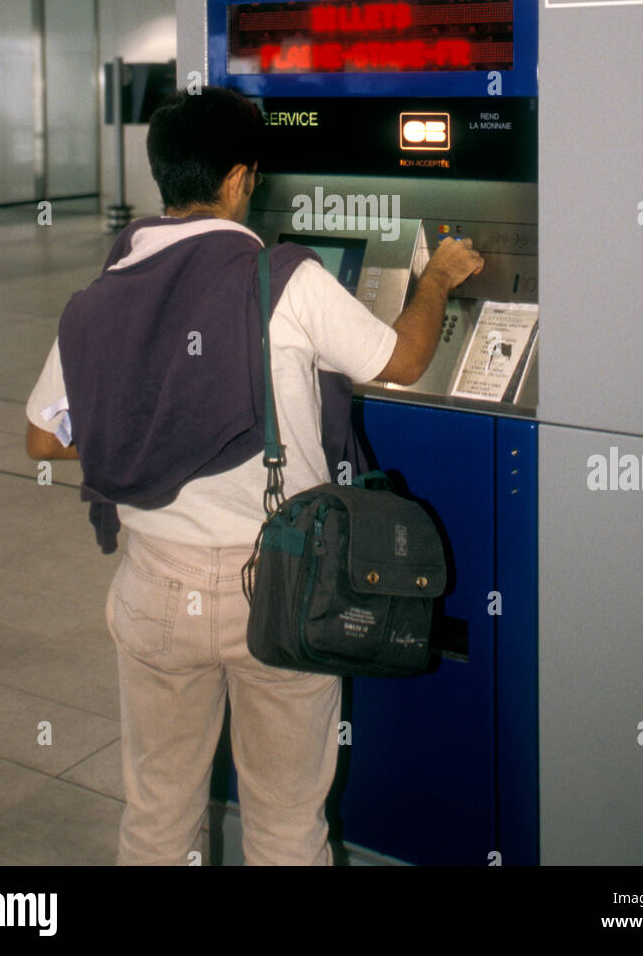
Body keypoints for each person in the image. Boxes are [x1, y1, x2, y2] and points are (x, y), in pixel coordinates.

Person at [25, 86, 483, 867]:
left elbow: (44, 436)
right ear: (240, 179)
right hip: (280, 587)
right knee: (285, 825)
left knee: (157, 814)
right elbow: (403, 361)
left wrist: (154, 429)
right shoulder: (284, 279)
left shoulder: (109, 287)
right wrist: (438, 277)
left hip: (154, 591)